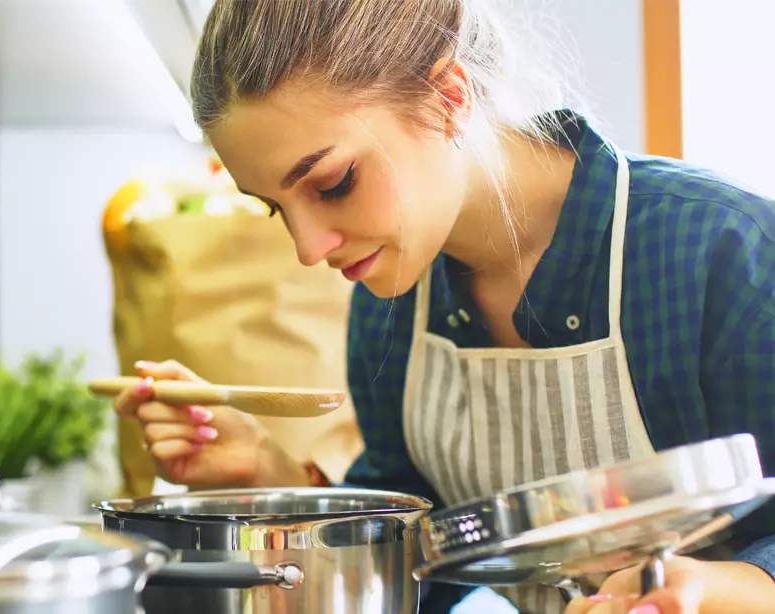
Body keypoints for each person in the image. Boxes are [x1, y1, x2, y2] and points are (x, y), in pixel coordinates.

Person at [112, 1, 775, 612]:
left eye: (332, 183)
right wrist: (265, 472)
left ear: (446, 98)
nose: (309, 249)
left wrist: (724, 588)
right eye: (275, 208)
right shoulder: (392, 301)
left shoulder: (718, 249)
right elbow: (419, 568)